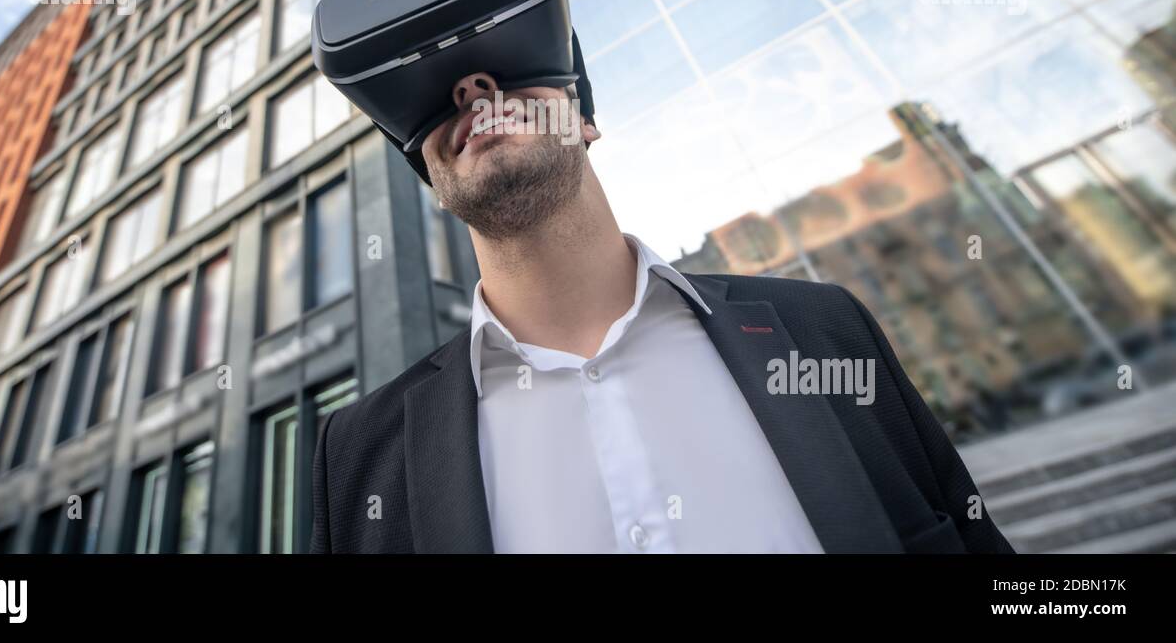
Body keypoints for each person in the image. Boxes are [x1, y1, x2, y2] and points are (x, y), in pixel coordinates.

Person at [309, 62, 1014, 554]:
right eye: (437, 92)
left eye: (510, 62)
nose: (471, 88)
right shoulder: (358, 454)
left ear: (586, 119)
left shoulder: (821, 329)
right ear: (434, 183)